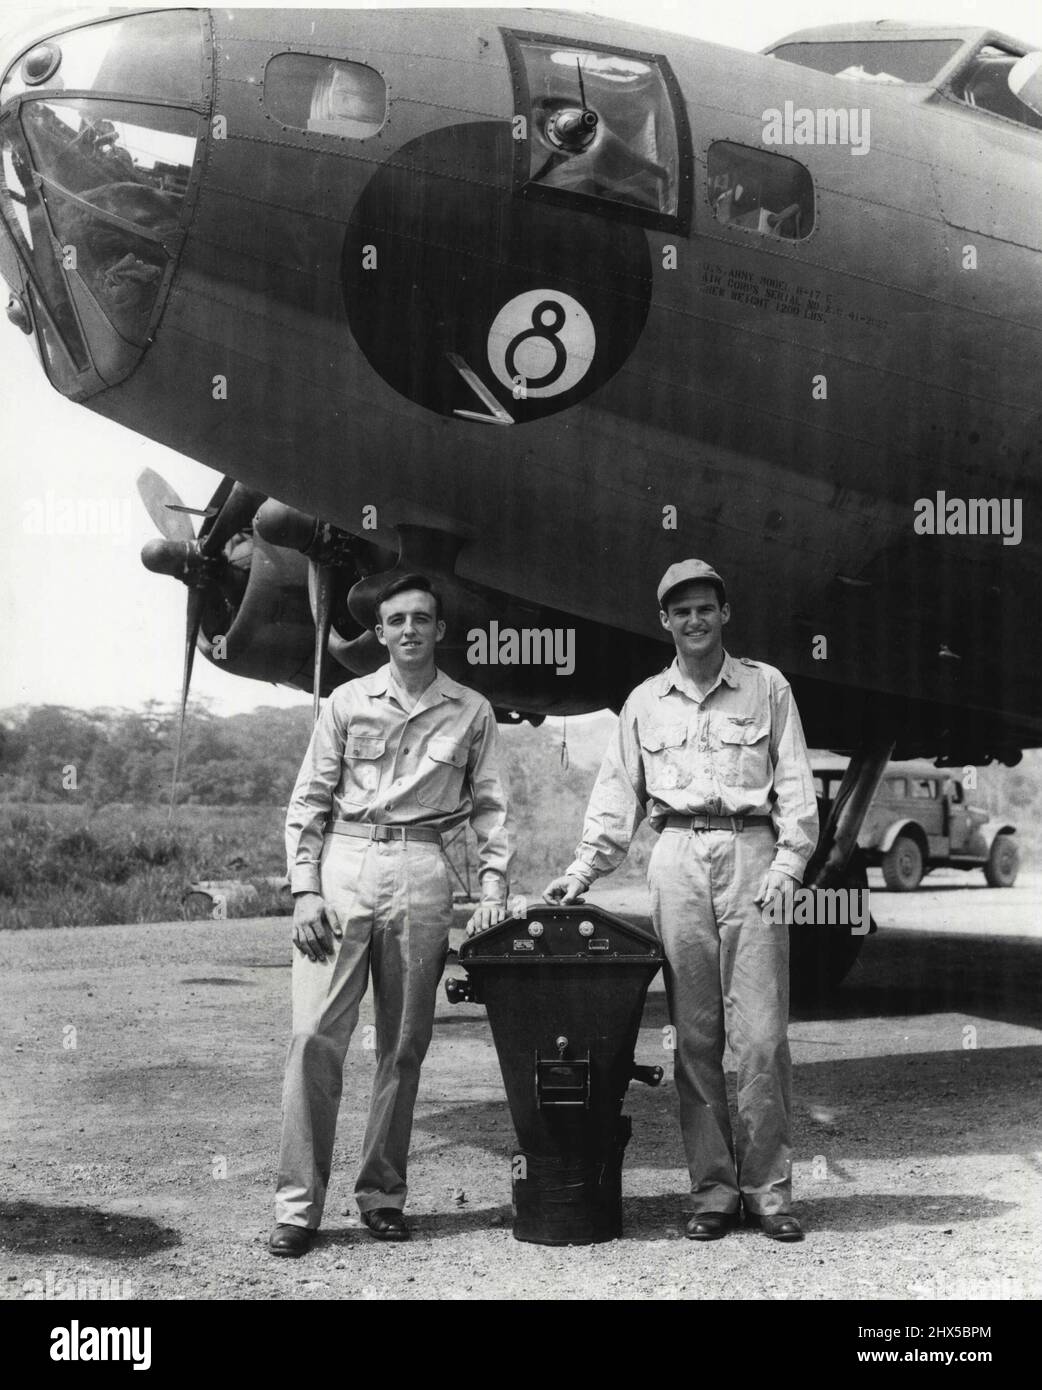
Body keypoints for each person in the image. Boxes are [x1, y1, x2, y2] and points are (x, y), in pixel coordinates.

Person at [544, 560, 818, 1241]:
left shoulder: (767, 687)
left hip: (752, 855)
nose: (694, 619)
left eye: (705, 607)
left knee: (761, 1037)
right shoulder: (644, 703)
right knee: (696, 1038)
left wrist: (788, 866)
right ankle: (715, 1191)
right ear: (664, 621)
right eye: (680, 610)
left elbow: (796, 785)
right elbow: (617, 799)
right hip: (674, 858)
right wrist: (581, 872)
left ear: (725, 614)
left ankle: (770, 1190)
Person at [270, 573, 513, 1255]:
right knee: (313, 1036)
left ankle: (382, 1194)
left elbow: (492, 807)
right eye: (396, 620)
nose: (409, 629)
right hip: (345, 866)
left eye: (422, 618)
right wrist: (305, 891)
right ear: (379, 633)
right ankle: (297, 1207)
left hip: (423, 868)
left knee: (404, 1046)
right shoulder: (347, 702)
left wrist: (493, 889)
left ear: (440, 630)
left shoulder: (472, 710)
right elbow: (308, 802)